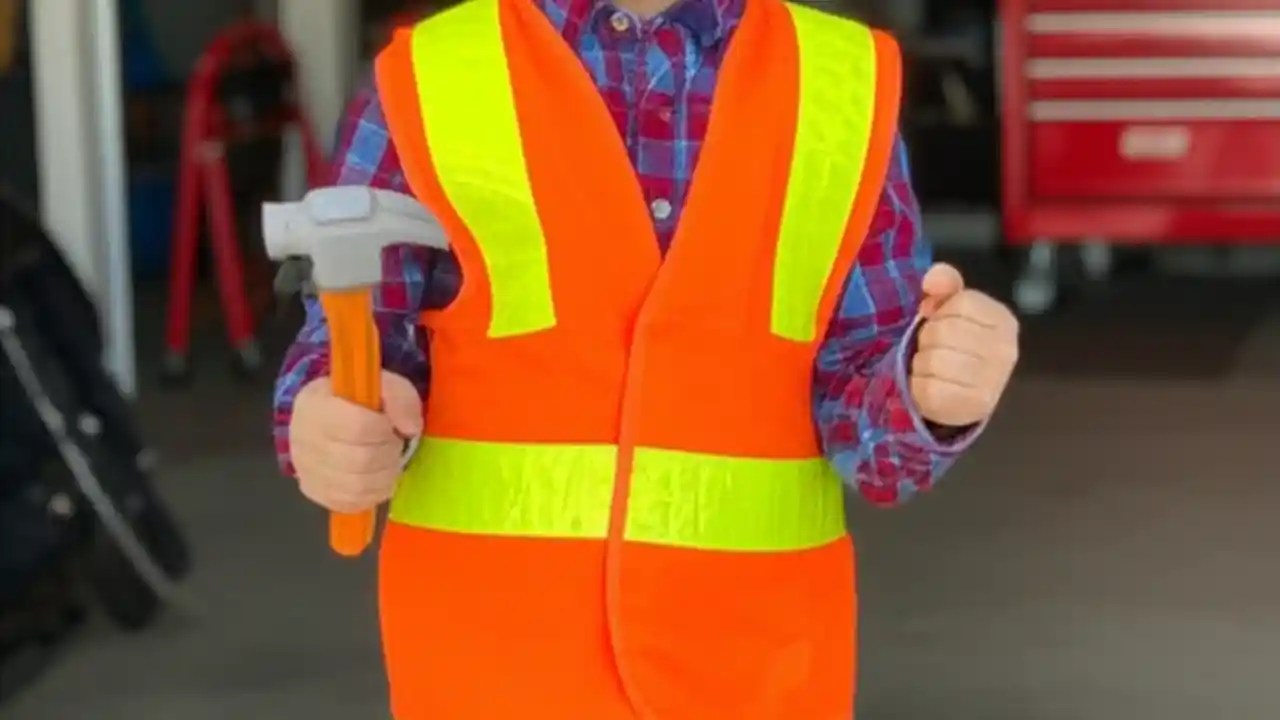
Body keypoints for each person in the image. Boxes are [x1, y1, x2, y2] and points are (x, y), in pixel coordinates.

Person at [273, 0, 1020, 716]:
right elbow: (355, 343)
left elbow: (875, 449)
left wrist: (931, 397)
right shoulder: (433, 79)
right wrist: (326, 422)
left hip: (754, 678)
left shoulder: (841, 87)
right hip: (495, 676)